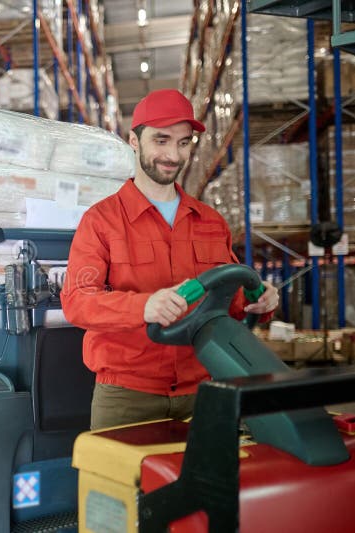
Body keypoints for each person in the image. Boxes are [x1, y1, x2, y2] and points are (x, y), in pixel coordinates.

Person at [60, 89, 279, 431]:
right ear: (134, 140)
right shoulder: (101, 221)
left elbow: (230, 301)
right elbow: (77, 302)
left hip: (203, 390)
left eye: (183, 143)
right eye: (161, 140)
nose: (173, 155)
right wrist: (144, 307)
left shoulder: (210, 222)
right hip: (127, 396)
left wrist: (260, 300)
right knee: (119, 469)